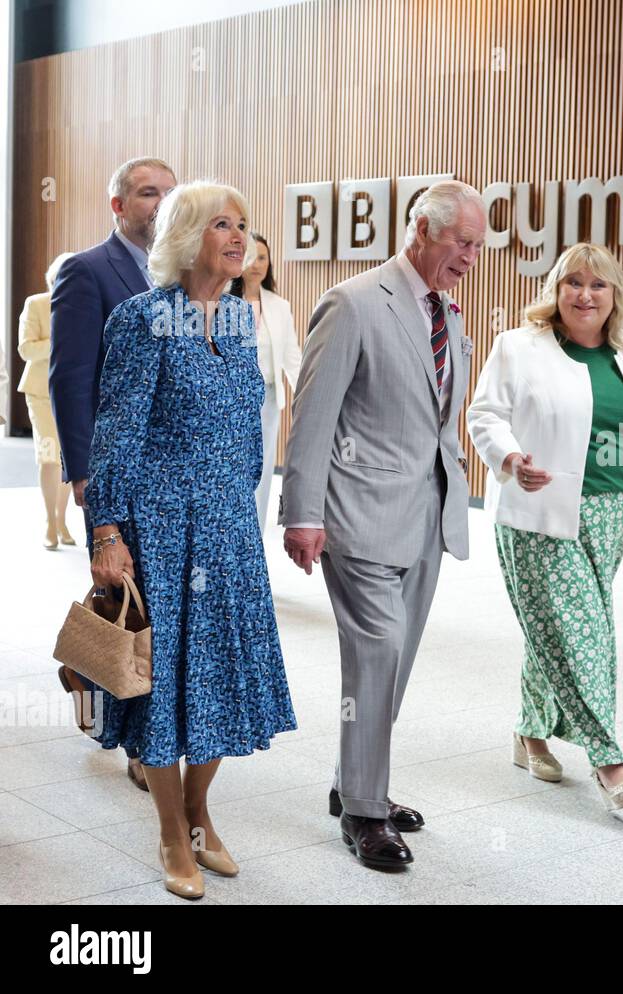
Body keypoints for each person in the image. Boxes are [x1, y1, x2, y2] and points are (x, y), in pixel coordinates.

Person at [85, 181, 297, 899]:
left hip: (230, 524)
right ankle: (172, 831)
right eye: (220, 226)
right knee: (164, 681)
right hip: (160, 526)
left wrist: (247, 500)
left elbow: (248, 426)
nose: (237, 237)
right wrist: (108, 532)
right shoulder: (143, 319)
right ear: (184, 237)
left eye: (242, 224)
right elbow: (116, 432)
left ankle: (200, 812)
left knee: (225, 674)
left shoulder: (241, 320)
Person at [467, 242, 623, 812]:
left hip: (612, 510)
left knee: (560, 627)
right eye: (573, 283)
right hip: (538, 511)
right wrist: (509, 460)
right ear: (556, 291)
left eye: (598, 285)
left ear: (614, 296)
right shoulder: (518, 347)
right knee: (584, 632)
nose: (585, 294)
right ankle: (609, 760)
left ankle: (530, 733)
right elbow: (484, 415)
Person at [279, 180, 485, 870]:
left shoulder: (446, 312)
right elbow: (313, 417)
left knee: (393, 662)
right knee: (376, 654)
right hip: (358, 515)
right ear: (422, 229)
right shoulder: (354, 303)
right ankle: (366, 814)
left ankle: (354, 782)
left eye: (480, 246)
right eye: (463, 242)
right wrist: (303, 513)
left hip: (428, 516)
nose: (472, 258)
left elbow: (438, 417)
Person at [49, 155, 177, 791]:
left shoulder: (181, 279)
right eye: (147, 193)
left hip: (173, 478)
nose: (159, 204)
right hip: (112, 469)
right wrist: (82, 475)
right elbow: (70, 378)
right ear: (118, 206)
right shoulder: (87, 270)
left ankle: (97, 684)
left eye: (169, 194)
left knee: (149, 603)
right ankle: (131, 736)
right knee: (127, 599)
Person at [230, 233, 301, 533]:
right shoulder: (221, 302)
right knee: (232, 469)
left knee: (262, 469)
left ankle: (254, 536)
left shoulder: (279, 305)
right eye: (251, 256)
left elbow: (292, 357)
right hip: (230, 400)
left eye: (263, 257)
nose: (257, 264)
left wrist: (309, 399)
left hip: (268, 400)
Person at [17, 252, 76, 550]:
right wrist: (58, 342)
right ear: (53, 279)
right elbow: (25, 349)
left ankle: (62, 519)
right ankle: (49, 523)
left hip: (70, 391)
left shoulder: (80, 306)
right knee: (50, 454)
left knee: (67, 457)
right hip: (40, 391)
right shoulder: (35, 304)